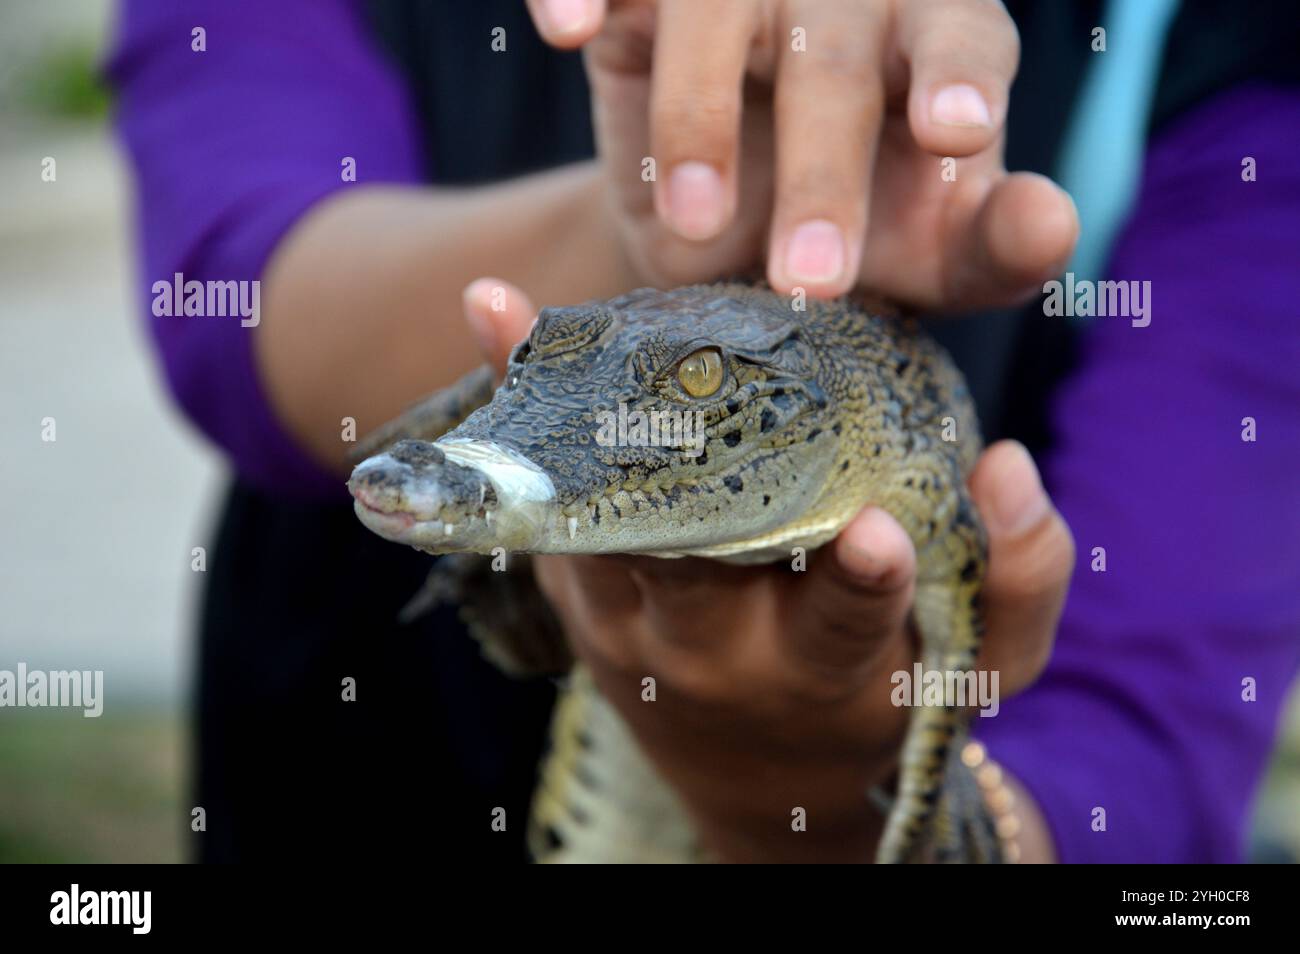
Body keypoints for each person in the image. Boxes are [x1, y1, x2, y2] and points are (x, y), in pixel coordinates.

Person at [108, 0, 1300, 862]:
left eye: (678, 388)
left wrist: (818, 798)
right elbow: (228, 297)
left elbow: (1142, 762)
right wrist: (640, 239)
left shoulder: (1233, 54)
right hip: (339, 788)